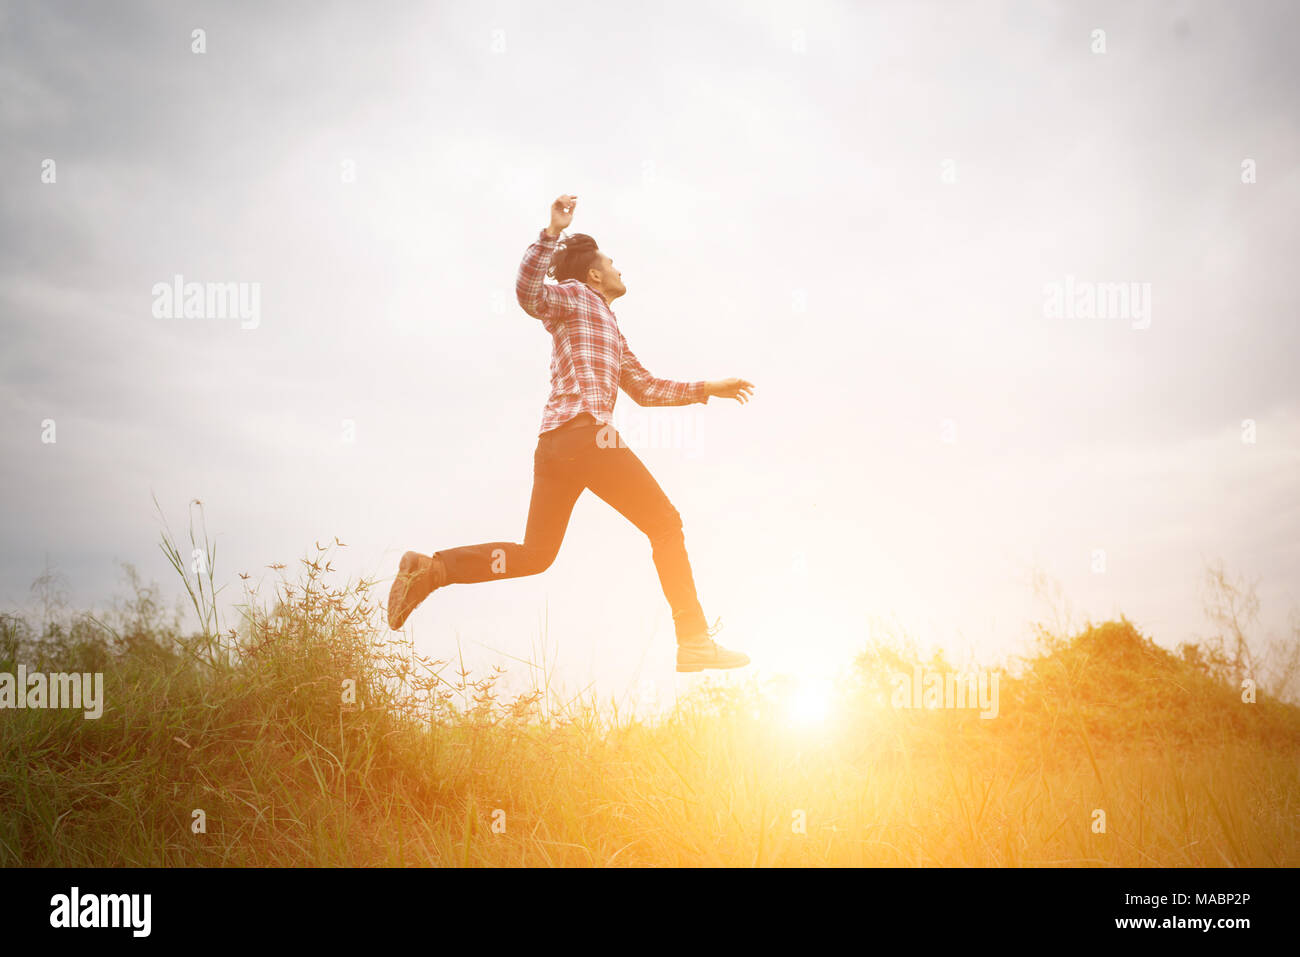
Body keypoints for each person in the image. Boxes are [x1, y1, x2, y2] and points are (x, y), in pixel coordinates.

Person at [387, 194, 754, 672]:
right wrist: (551, 234)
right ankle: (695, 641)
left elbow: (645, 389)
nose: (620, 270)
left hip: (556, 447)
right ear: (595, 275)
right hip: (586, 438)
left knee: (536, 555)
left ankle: (432, 570)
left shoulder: (611, 329)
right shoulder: (575, 297)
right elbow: (529, 295)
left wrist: (707, 388)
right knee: (665, 524)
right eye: (612, 263)